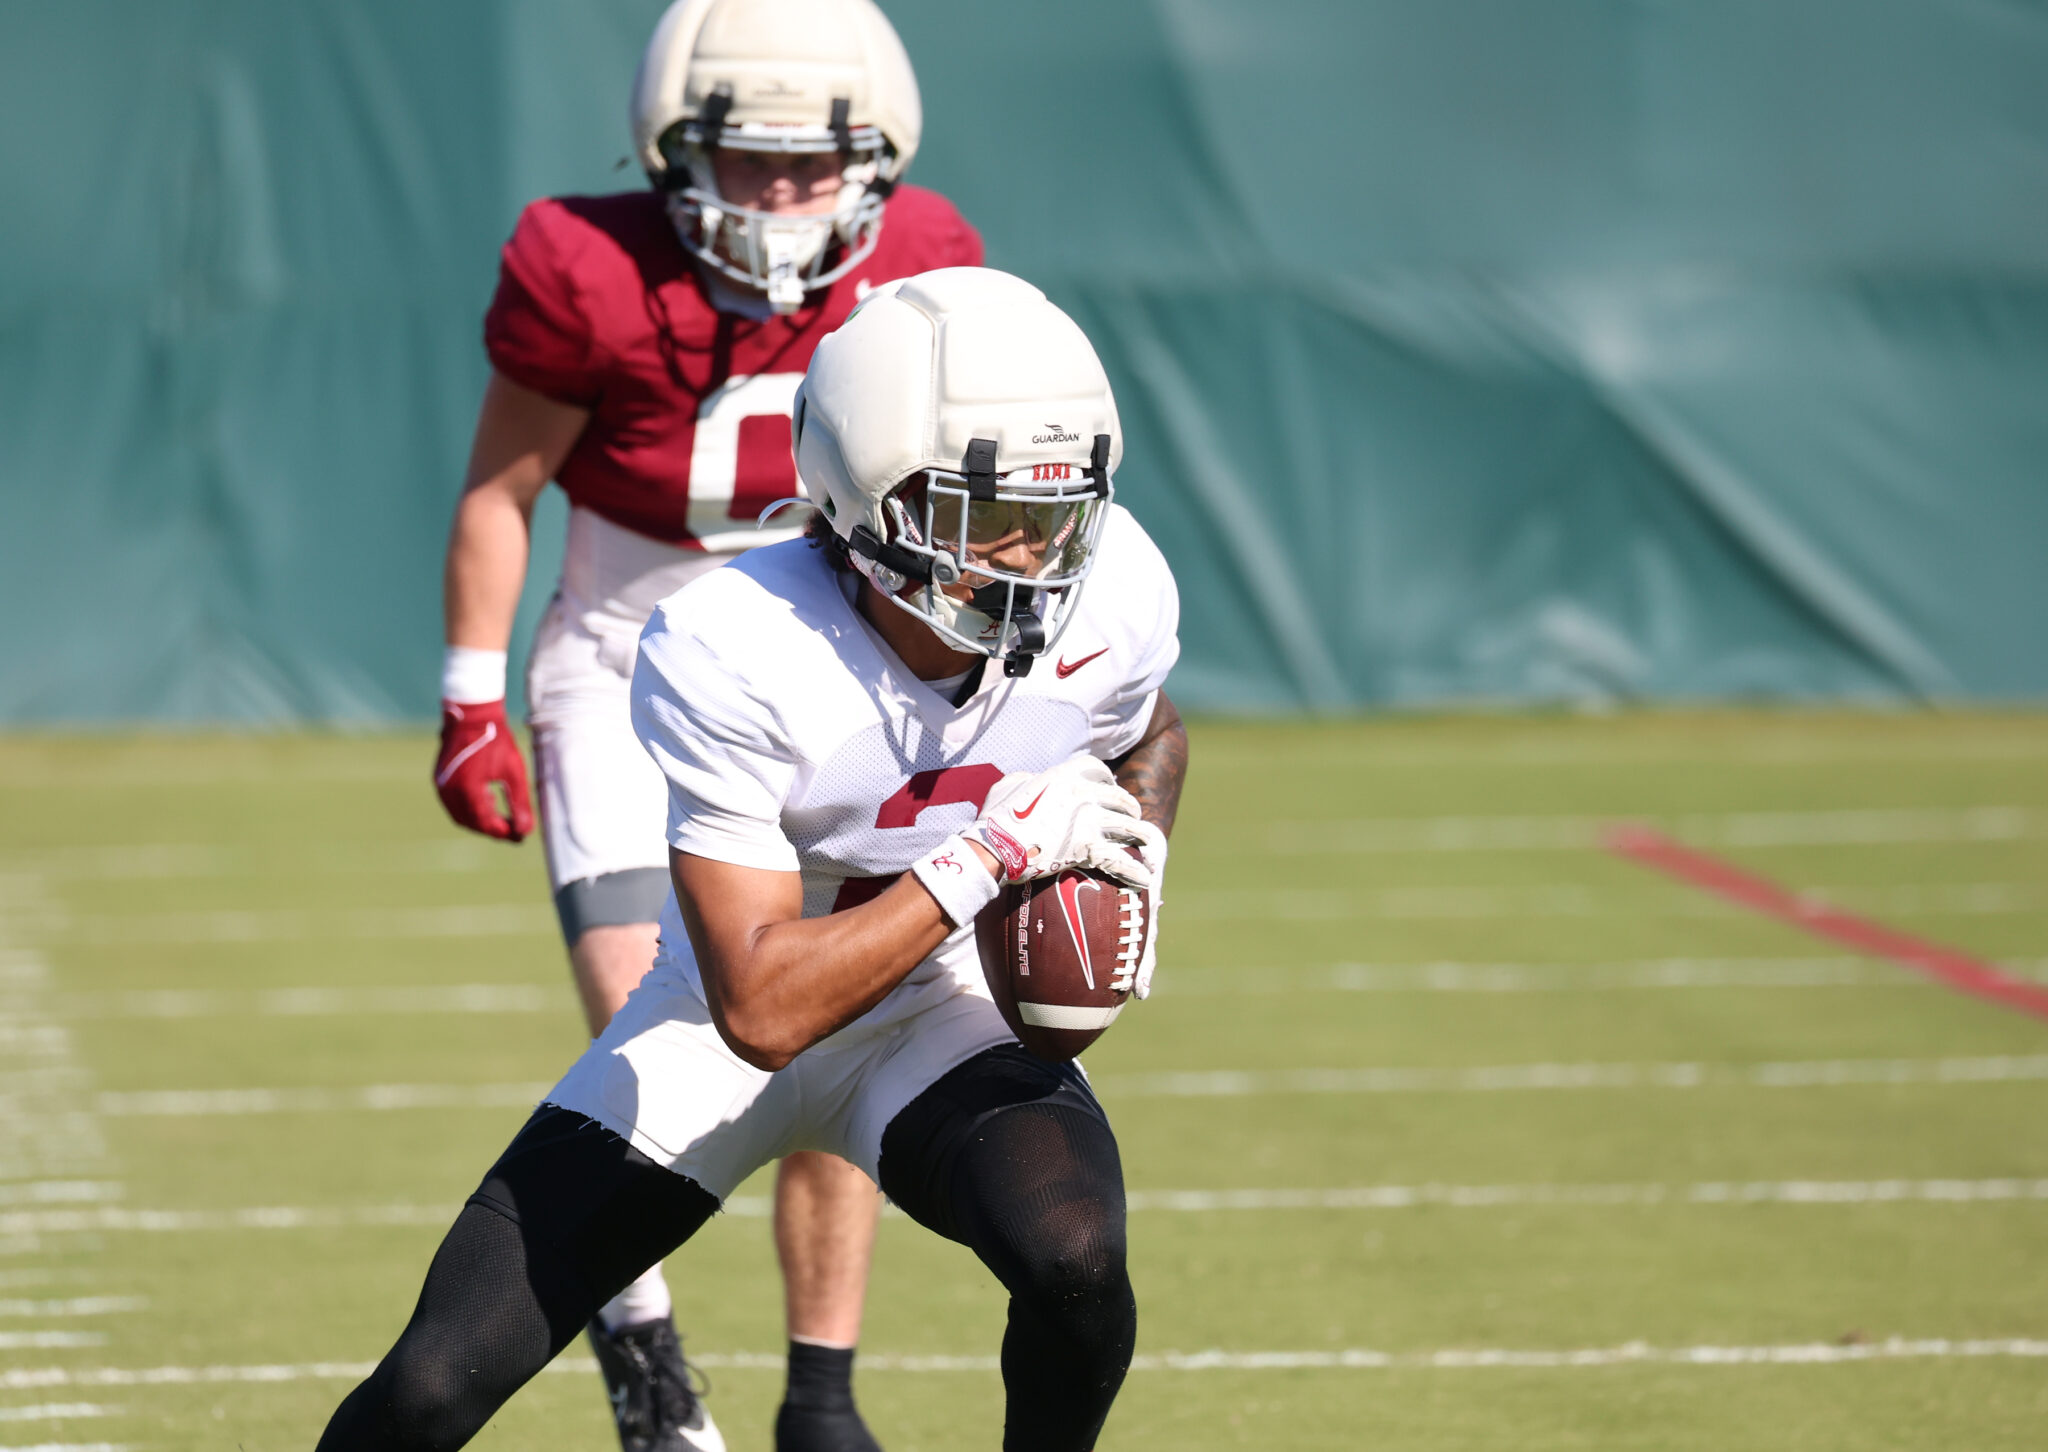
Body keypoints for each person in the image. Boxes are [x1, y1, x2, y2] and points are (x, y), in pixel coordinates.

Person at [327, 266, 1187, 1452]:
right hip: (725, 1017)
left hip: (938, 1009)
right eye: (982, 519)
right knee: (430, 1388)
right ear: (864, 501)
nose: (1033, 560)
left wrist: (1128, 859)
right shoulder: (736, 641)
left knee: (1078, 1266)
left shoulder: (1117, 586)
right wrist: (990, 857)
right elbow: (762, 1010)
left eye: (1055, 516)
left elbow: (1148, 730)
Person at [428, 2, 982, 1449]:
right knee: (646, 1030)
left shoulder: (927, 258)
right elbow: (504, 490)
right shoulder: (586, 266)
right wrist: (470, 694)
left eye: (817, 163)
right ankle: (645, 1355)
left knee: (833, 1023)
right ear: (679, 150)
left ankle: (823, 1392)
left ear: (877, 156)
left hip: (832, 666)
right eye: (747, 160)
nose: (785, 194)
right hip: (625, 660)